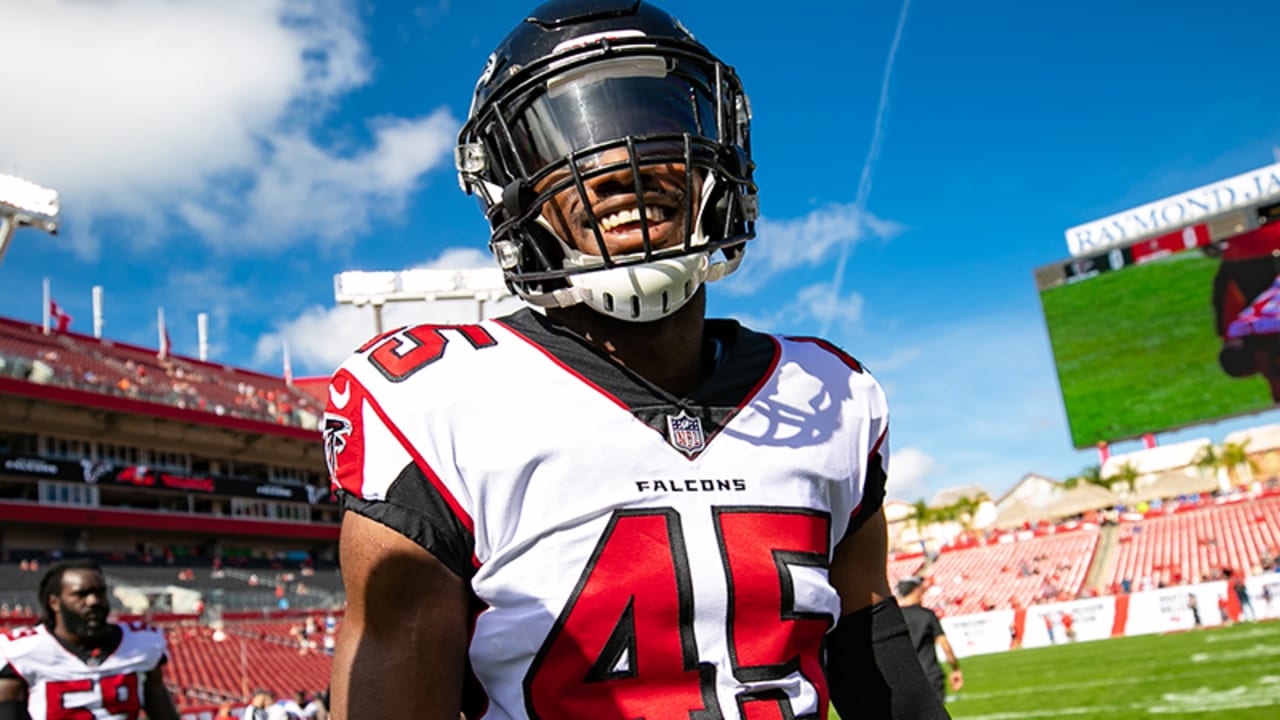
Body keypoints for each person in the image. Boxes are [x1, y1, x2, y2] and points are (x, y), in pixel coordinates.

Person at [324, 1, 948, 719]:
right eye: (563, 139)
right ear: (507, 188)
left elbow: (871, 639)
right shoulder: (431, 400)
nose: (620, 160)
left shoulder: (831, 393)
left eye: (653, 120)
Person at [0, 558, 179, 720]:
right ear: (54, 602)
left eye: (100, 592)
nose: (94, 601)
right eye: (81, 594)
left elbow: (161, 710)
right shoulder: (23, 651)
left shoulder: (141, 643)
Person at [896, 577, 964, 702]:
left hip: (905, 677)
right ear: (916, 591)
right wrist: (955, 669)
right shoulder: (927, 615)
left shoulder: (895, 617)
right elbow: (945, 646)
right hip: (930, 674)